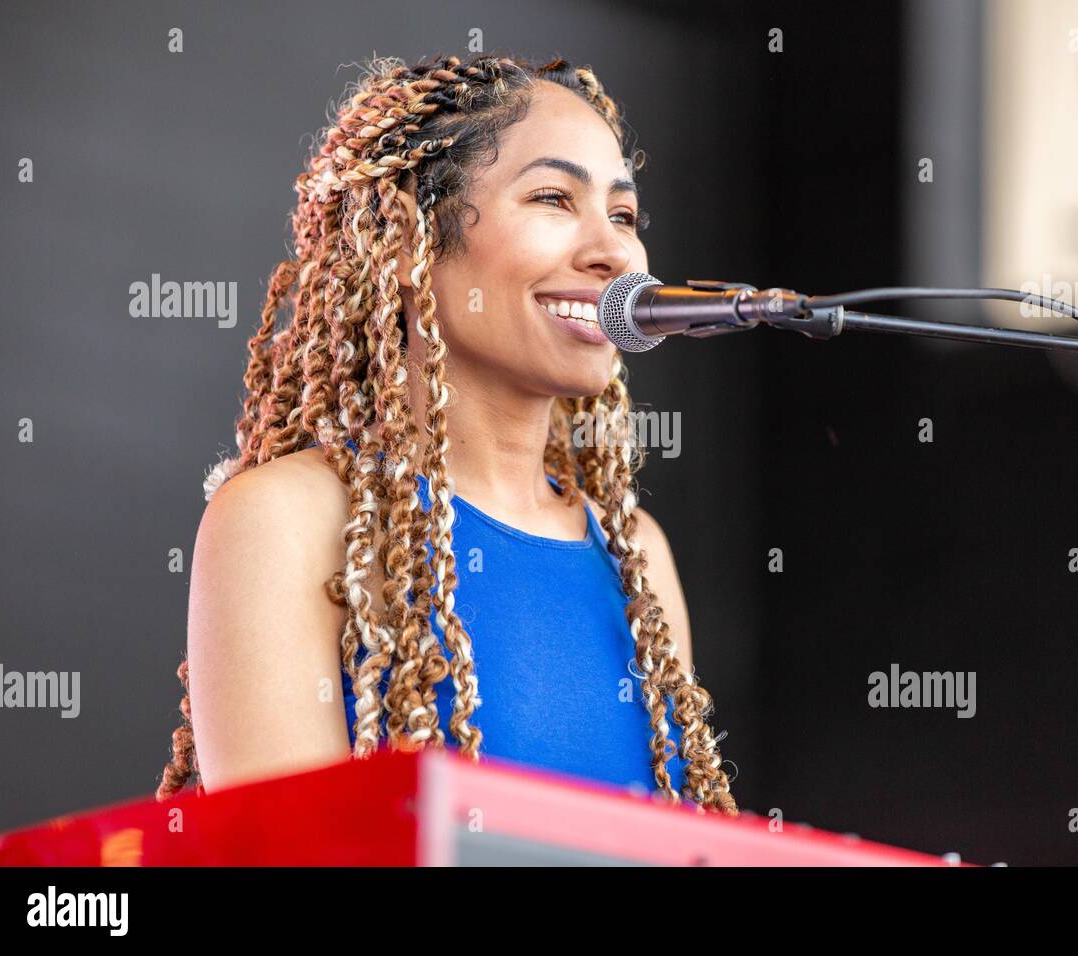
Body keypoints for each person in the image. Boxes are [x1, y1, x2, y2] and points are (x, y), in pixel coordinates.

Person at [155, 52, 739, 816]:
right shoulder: (283, 521)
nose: (616, 251)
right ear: (406, 244)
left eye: (624, 215)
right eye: (555, 198)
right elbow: (285, 854)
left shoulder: (639, 556)